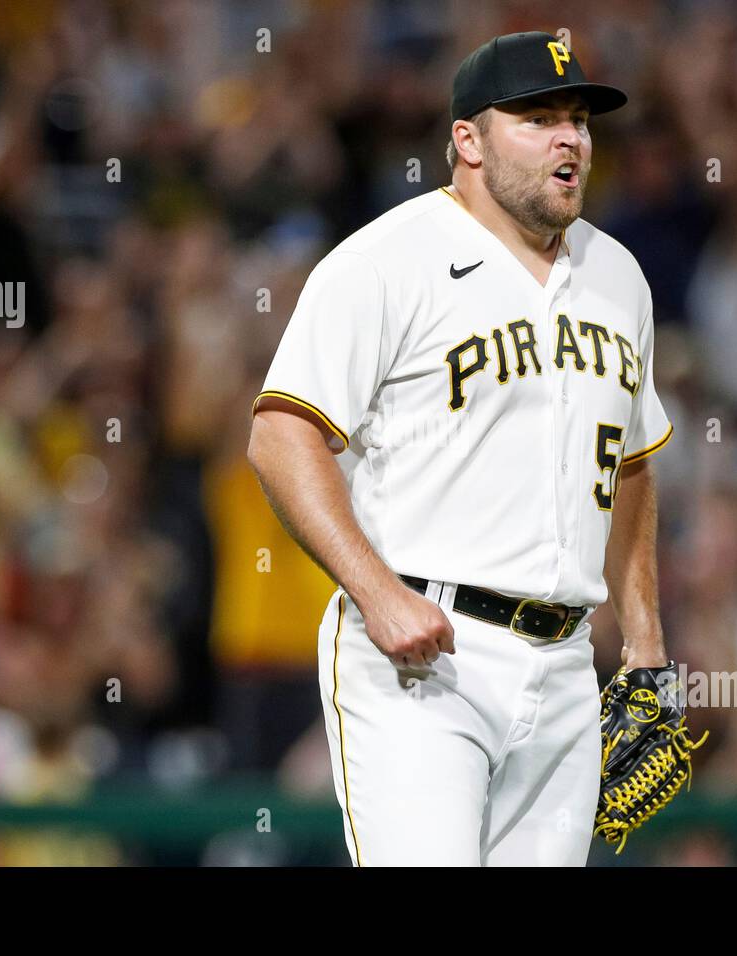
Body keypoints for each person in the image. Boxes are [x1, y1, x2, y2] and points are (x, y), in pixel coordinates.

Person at [248, 32, 677, 865]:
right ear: (467, 141)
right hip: (423, 655)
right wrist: (375, 594)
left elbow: (629, 463)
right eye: (539, 118)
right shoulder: (384, 261)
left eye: (580, 120)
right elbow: (280, 434)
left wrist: (647, 641)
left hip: (565, 667)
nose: (570, 138)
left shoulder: (618, 275)